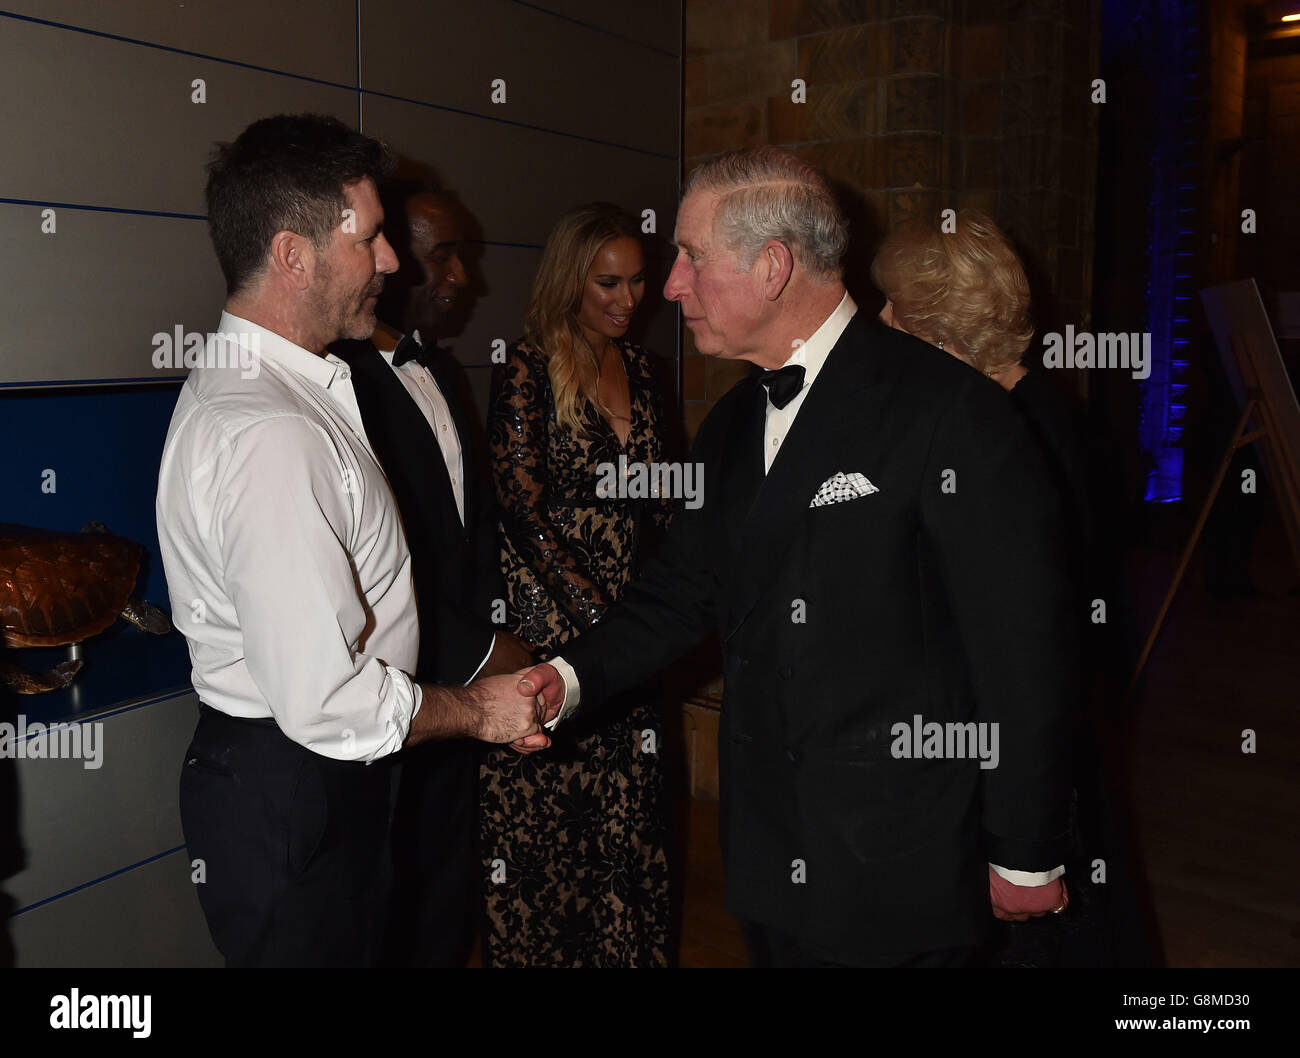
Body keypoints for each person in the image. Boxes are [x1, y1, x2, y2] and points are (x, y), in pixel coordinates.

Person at [521, 148, 1079, 967]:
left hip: (900, 861)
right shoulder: (732, 424)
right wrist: (563, 678)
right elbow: (679, 593)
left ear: (773, 266)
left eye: (691, 258)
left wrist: (1024, 847)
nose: (670, 286)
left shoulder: (949, 411)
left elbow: (1023, 647)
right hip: (768, 848)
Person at [155, 114, 548, 968]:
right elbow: (328, 701)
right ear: (294, 255)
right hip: (298, 785)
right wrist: (479, 709)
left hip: (303, 778)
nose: (391, 261)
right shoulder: (269, 429)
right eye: (368, 238)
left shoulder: (280, 388)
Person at [872, 210, 1154, 966]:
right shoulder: (1045, 412)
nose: (880, 319)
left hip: (1022, 757)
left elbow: (1024, 640)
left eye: (894, 309)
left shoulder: (1006, 438)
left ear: (940, 338)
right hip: (1047, 738)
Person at [333, 183, 532, 967]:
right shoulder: (333, 387)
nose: (463, 278)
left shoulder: (443, 371)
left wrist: (497, 635)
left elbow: (471, 526)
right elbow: (370, 566)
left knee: (448, 891)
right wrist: (482, 651)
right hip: (388, 692)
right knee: (392, 901)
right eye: (442, 254)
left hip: (463, 686)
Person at [480, 203, 673, 967]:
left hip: (632, 621)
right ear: (571, 281)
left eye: (638, 282)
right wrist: (608, 627)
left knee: (631, 820)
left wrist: (661, 609)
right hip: (548, 630)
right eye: (608, 284)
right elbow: (522, 513)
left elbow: (661, 503)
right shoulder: (526, 367)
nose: (629, 301)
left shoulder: (650, 372)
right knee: (547, 829)